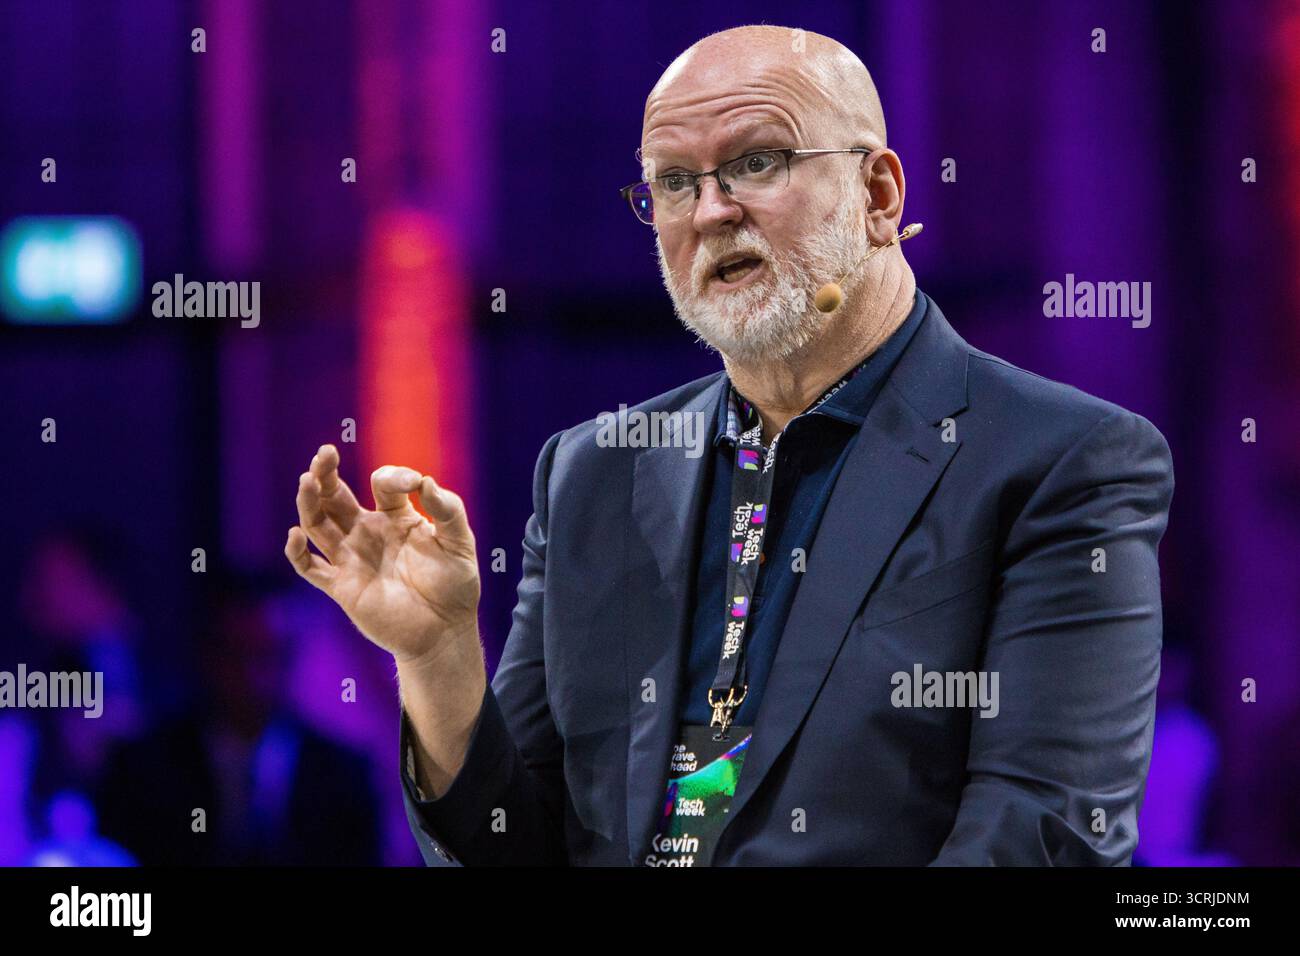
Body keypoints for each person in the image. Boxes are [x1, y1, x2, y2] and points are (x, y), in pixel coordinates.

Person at [285, 25, 1174, 866]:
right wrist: (438, 657)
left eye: (757, 163)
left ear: (878, 195)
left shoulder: (1061, 460)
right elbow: (514, 848)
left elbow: (1041, 836)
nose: (710, 211)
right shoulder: (595, 472)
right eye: (673, 182)